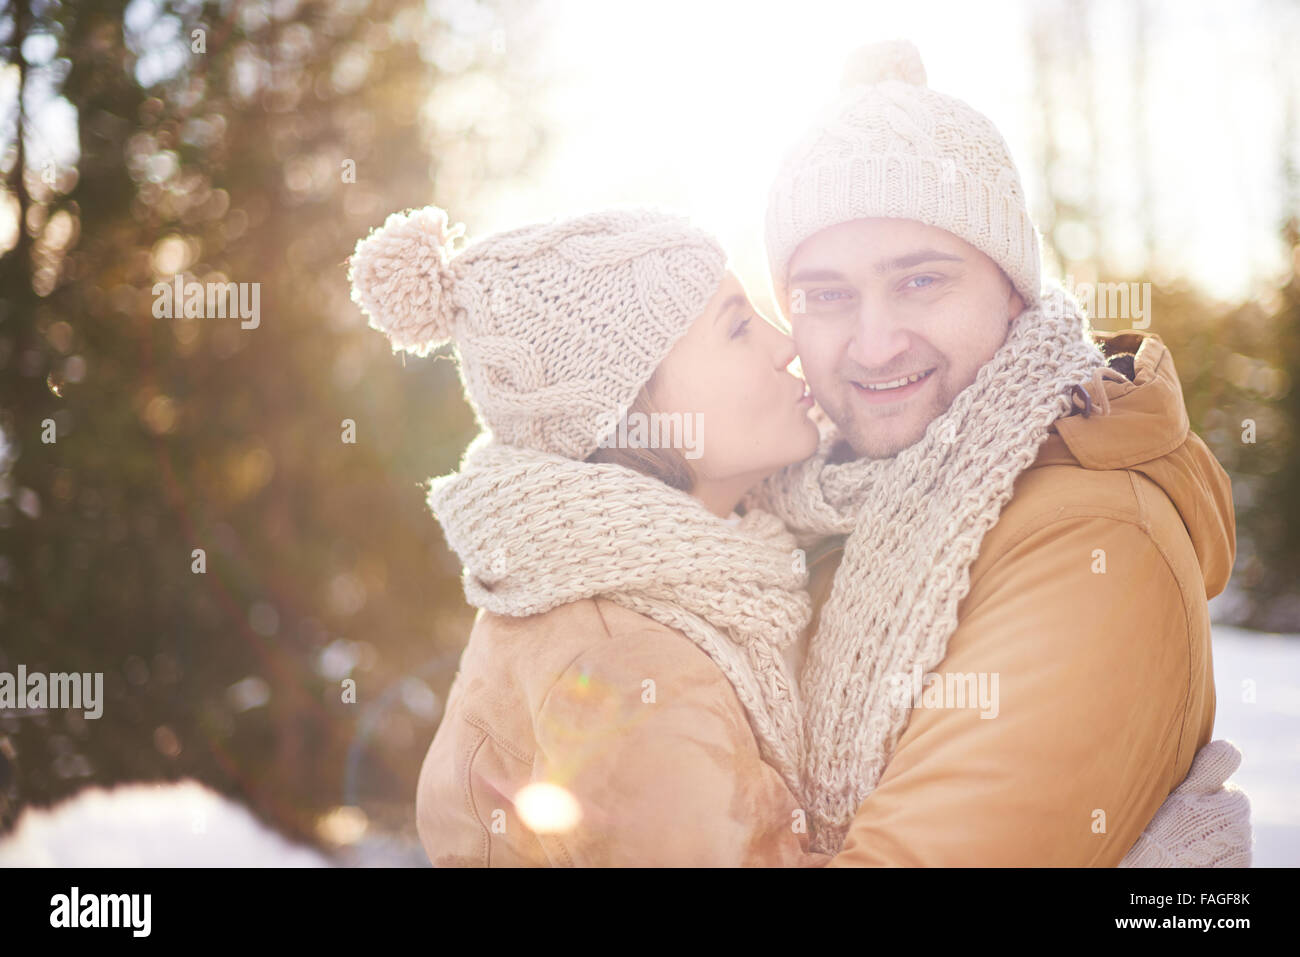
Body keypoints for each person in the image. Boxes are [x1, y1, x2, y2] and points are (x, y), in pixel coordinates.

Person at [350, 202, 1246, 867]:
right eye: (738, 326)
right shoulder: (627, 665)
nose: (788, 345)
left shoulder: (713, 571)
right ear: (627, 415)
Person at [753, 38, 1252, 865]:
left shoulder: (1094, 533)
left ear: (1014, 289)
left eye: (920, 280)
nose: (874, 344)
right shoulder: (808, 508)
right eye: (827, 295)